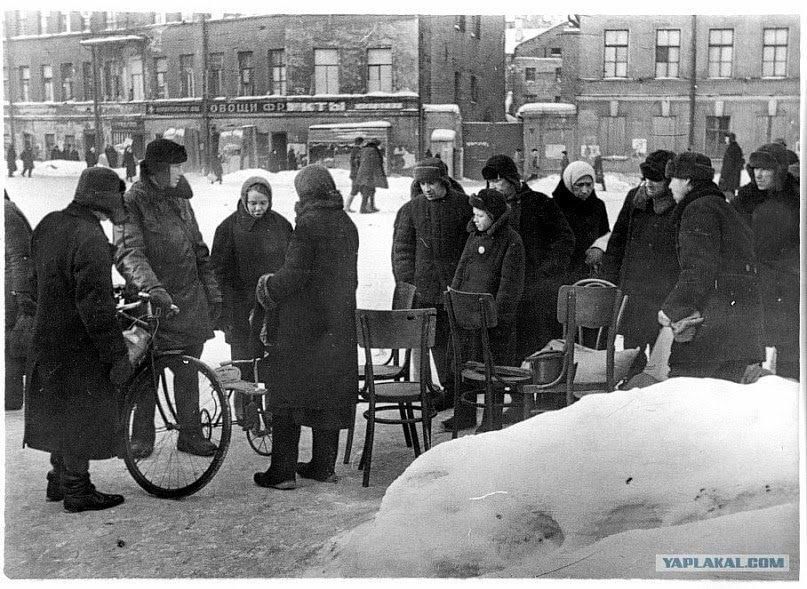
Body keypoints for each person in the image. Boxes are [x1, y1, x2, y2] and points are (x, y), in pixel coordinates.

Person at [25, 166, 132, 512]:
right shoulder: (90, 237)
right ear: (104, 200)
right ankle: (77, 489)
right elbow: (95, 305)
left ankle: (58, 480)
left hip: (47, 338)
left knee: (58, 408)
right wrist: (116, 354)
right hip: (78, 344)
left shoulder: (50, 223)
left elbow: (32, 282)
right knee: (80, 412)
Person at [113, 138, 222, 458]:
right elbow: (128, 252)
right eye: (175, 168)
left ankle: (190, 433)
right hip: (152, 304)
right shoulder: (132, 201)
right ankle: (141, 437)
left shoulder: (180, 200)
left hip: (188, 301)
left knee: (188, 370)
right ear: (157, 170)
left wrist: (212, 293)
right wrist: (152, 288)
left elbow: (199, 249)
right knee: (147, 374)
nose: (179, 174)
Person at [253, 165, 358, 489]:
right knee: (327, 394)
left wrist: (268, 287)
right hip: (337, 324)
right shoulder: (346, 222)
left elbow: (294, 274)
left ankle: (282, 472)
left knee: (286, 394)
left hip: (303, 326)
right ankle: (323, 466)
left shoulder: (309, 224)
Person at [479, 154, 574, 424]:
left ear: (512, 179)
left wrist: (546, 273)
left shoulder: (540, 203)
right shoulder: (492, 209)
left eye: (499, 179)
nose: (494, 185)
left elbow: (565, 238)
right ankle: (518, 402)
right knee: (508, 350)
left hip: (535, 294)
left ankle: (540, 402)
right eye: (490, 180)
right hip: (506, 292)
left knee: (534, 348)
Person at [660, 152, 763, 382]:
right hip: (739, 329)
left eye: (672, 180)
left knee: (687, 398)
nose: (669, 187)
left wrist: (672, 309)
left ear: (687, 180)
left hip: (713, 332)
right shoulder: (722, 208)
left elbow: (698, 270)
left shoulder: (698, 210)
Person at [393, 157, 473, 420]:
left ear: (444, 181)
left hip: (458, 290)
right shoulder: (410, 210)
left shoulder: (464, 206)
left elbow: (472, 245)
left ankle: (464, 401)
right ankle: (448, 392)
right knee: (437, 344)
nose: (427, 189)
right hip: (426, 292)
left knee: (460, 346)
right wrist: (410, 282)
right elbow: (402, 251)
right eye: (422, 184)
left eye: (432, 183)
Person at [211, 176, 293, 419]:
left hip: (272, 304)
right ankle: (245, 410)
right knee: (244, 359)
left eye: (263, 203)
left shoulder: (281, 225)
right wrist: (223, 310)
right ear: (244, 200)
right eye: (253, 203)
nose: (258, 208)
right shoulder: (228, 228)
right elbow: (218, 271)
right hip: (240, 307)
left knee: (271, 358)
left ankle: (271, 409)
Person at [449, 188, 525, 432]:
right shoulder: (473, 237)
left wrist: (498, 318)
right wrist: (455, 298)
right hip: (468, 317)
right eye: (474, 214)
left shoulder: (511, 240)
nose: (475, 219)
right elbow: (461, 270)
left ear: (494, 216)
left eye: (480, 215)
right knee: (467, 366)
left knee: (493, 372)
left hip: (494, 322)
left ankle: (491, 420)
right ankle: (464, 415)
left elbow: (509, 286)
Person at [601, 150, 679, 356]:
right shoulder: (635, 199)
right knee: (631, 353)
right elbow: (617, 242)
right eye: (646, 178)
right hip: (633, 292)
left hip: (661, 296)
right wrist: (609, 279)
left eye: (656, 179)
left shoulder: (678, 206)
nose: (649, 184)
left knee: (661, 356)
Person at [733, 143, 799, 380]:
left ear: (779, 170)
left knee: (788, 351)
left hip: (787, 288)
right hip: (751, 284)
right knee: (749, 348)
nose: (758, 174)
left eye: (766, 169)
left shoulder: (796, 199)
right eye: (755, 168)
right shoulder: (745, 199)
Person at [553, 160, 610, 284]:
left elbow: (605, 233)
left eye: (589, 185)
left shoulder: (598, 206)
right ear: (569, 183)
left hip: (588, 272)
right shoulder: (554, 207)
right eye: (579, 185)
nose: (585, 190)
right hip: (560, 273)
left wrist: (599, 248)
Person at [5, 190, 35, 411]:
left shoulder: (5, 213)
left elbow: (20, 255)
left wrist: (21, 292)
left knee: (10, 344)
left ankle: (11, 398)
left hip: (10, 288)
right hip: (11, 286)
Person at [355, 138, 388, 213]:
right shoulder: (374, 150)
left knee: (371, 190)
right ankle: (363, 208)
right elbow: (377, 162)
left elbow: (357, 161)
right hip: (370, 173)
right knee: (368, 190)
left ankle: (371, 206)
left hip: (363, 173)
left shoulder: (363, 150)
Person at [718, 132, 744, 200]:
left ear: (730, 139)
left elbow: (728, 165)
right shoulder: (736, 148)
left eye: (726, 138)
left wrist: (723, 176)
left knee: (726, 192)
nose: (725, 140)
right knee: (730, 192)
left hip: (729, 177)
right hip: (733, 176)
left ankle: (733, 206)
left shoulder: (731, 149)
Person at [345, 137, 364, 212]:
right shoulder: (357, 150)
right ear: (360, 143)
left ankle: (366, 206)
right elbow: (356, 162)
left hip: (356, 174)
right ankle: (346, 207)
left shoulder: (355, 150)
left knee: (362, 190)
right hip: (357, 174)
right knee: (355, 190)